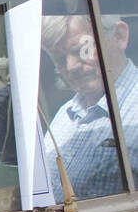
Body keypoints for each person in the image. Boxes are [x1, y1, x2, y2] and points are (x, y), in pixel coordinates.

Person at [42, 14, 138, 202]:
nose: (71, 67)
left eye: (82, 50)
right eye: (60, 59)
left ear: (119, 36)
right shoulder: (66, 113)